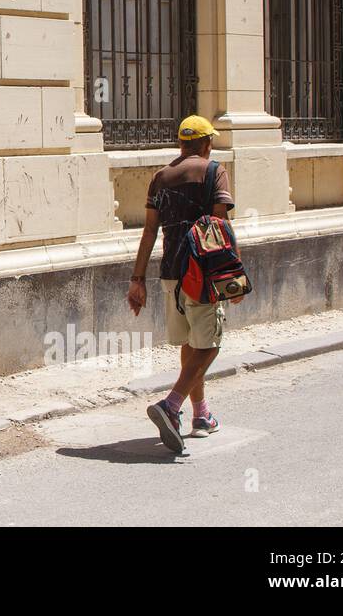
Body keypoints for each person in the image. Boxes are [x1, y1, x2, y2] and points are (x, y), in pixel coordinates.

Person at [126, 115, 241, 454]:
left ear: (182, 143)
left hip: (170, 274)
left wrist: (137, 280)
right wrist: (232, 280)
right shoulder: (213, 170)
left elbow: (149, 231)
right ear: (206, 144)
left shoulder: (160, 178)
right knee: (210, 345)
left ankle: (201, 416)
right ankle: (171, 405)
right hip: (202, 274)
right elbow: (221, 226)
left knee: (191, 344)